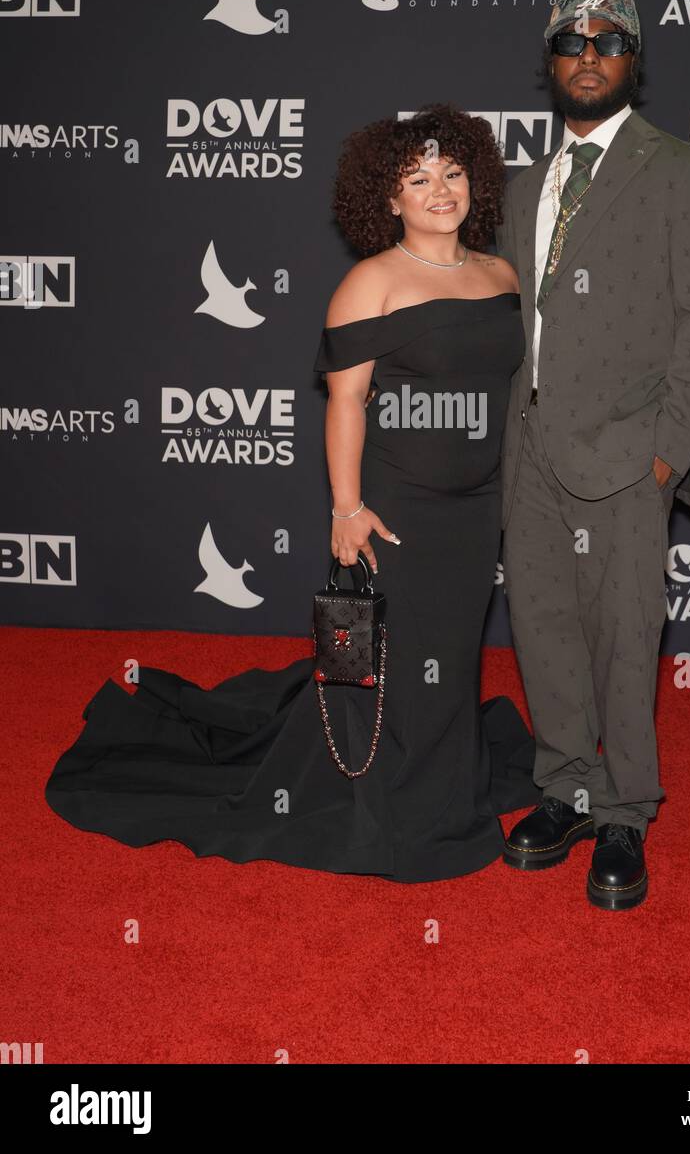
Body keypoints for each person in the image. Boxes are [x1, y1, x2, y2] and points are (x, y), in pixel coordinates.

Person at [43, 104, 543, 884]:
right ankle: (387, 798)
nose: (439, 189)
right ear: (388, 196)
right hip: (397, 505)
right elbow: (344, 403)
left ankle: (445, 777)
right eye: (418, 178)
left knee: (451, 651)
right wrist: (347, 507)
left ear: (473, 179)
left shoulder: (503, 276)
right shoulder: (370, 283)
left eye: (451, 172)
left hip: (478, 508)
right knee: (391, 657)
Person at [496, 0, 690, 909]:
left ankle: (627, 811)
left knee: (626, 642)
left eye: (609, 40)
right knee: (545, 632)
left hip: (626, 456)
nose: (588, 53)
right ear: (550, 62)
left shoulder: (683, 174)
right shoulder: (527, 186)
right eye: (570, 40)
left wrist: (668, 451)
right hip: (532, 455)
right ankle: (567, 789)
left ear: (634, 61)